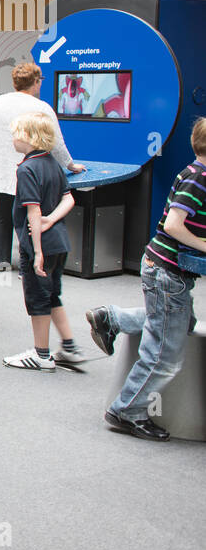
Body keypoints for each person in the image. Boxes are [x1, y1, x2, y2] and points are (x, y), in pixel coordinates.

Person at [87, 117, 206, 441]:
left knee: (181, 322)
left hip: (164, 269)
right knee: (165, 356)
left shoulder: (194, 172)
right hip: (167, 274)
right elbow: (174, 226)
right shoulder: (199, 179)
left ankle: (112, 317)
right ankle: (127, 411)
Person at [0, 61, 84, 272]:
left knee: (1, 214)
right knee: (30, 216)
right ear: (35, 82)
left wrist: (0, 142)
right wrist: (70, 165)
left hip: (1, 171)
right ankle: (29, 263)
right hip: (32, 170)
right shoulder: (42, 108)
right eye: (40, 81)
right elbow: (56, 143)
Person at [2, 113, 81, 372]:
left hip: (40, 247)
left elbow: (33, 212)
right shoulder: (52, 163)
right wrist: (51, 220)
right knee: (52, 294)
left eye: (16, 133)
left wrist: (36, 252)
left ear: (28, 136)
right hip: (59, 243)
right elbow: (69, 199)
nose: (13, 138)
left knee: (38, 299)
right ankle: (69, 347)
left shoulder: (26, 169)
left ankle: (42, 355)